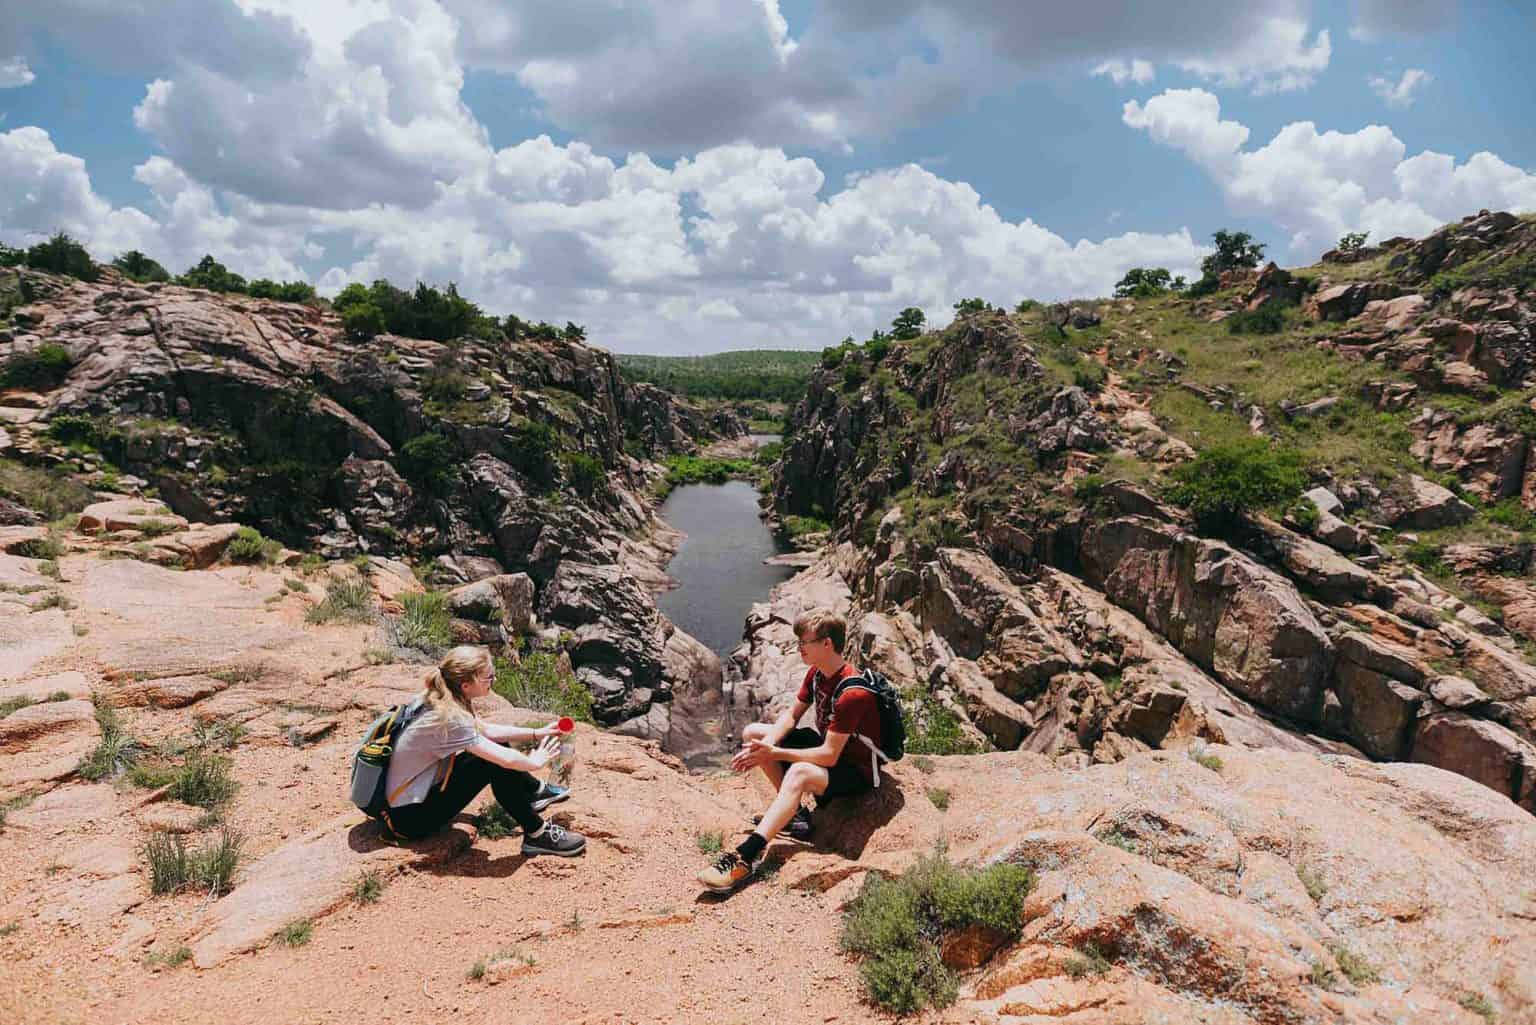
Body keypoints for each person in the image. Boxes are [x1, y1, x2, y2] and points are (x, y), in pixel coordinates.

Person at [698, 608, 882, 893]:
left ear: (827, 644)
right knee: (753, 733)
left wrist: (775, 754)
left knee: (798, 771)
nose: (798, 648)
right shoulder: (817, 674)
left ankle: (745, 857)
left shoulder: (851, 694)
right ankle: (795, 816)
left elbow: (829, 756)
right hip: (833, 755)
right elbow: (792, 716)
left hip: (856, 772)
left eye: (803, 642)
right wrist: (767, 745)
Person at [382, 645, 586, 857]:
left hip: (402, 803)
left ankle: (533, 791)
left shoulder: (438, 698)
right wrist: (536, 761)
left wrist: (536, 733)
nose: (494, 681)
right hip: (410, 820)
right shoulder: (449, 719)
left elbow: (486, 730)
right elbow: (506, 759)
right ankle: (537, 834)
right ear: (466, 685)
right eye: (489, 677)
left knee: (495, 752)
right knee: (493, 763)